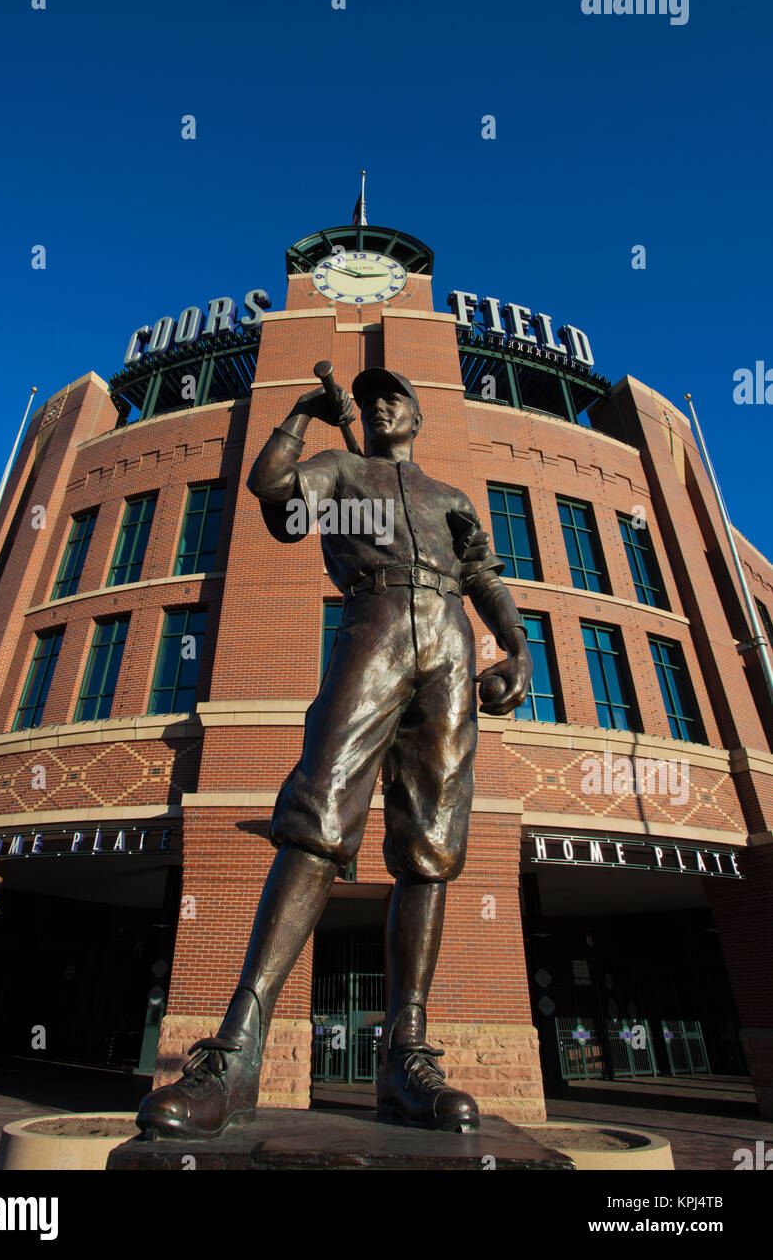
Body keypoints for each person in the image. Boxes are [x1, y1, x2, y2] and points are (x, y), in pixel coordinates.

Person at [136, 367, 532, 1139]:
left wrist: (516, 646)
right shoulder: (342, 471)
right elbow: (272, 490)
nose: (381, 405)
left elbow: (483, 576)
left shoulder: (450, 497)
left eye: (394, 398)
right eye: (371, 398)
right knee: (318, 818)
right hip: (373, 621)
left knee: (432, 848)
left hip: (448, 642)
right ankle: (239, 1050)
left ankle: (406, 1056)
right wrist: (302, 415)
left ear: (416, 415)